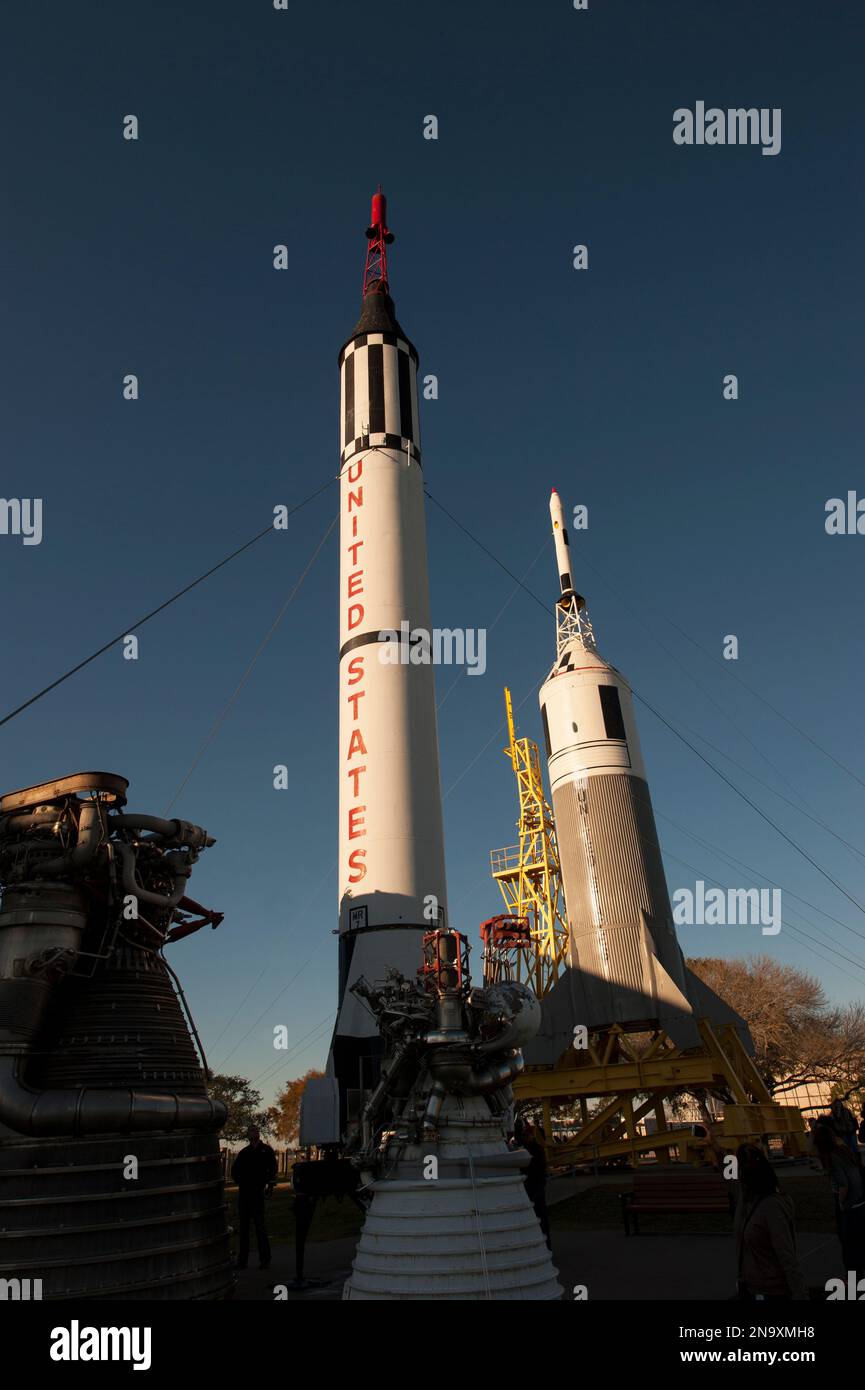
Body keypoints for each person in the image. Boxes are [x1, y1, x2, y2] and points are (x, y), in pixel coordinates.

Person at [734, 1143, 807, 1300]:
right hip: (752, 1286)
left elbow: (786, 1255)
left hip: (771, 1291)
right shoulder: (747, 1202)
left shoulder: (771, 1208)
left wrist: (799, 1294)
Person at [811, 1123, 865, 1278]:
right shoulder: (843, 1151)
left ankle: (856, 1284)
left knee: (851, 1251)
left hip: (850, 1205)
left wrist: (841, 1203)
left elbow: (843, 1184)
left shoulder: (832, 1158)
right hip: (860, 1201)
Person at [231, 1125, 278, 1270]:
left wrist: (269, 1184)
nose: (253, 1133)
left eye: (255, 1131)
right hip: (245, 1193)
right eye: (250, 1131)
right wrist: (241, 1181)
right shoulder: (244, 1153)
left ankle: (265, 1259)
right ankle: (242, 1260)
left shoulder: (266, 1151)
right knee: (244, 1229)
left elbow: (273, 1168)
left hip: (257, 1193)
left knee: (259, 1227)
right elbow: (235, 1171)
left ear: (258, 1133)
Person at [514, 1118, 551, 1251]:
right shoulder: (536, 1149)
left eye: (526, 1135)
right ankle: (545, 1244)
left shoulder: (530, 1150)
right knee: (540, 1215)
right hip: (537, 1184)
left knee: (537, 1214)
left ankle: (543, 1245)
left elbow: (528, 1166)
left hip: (533, 1184)